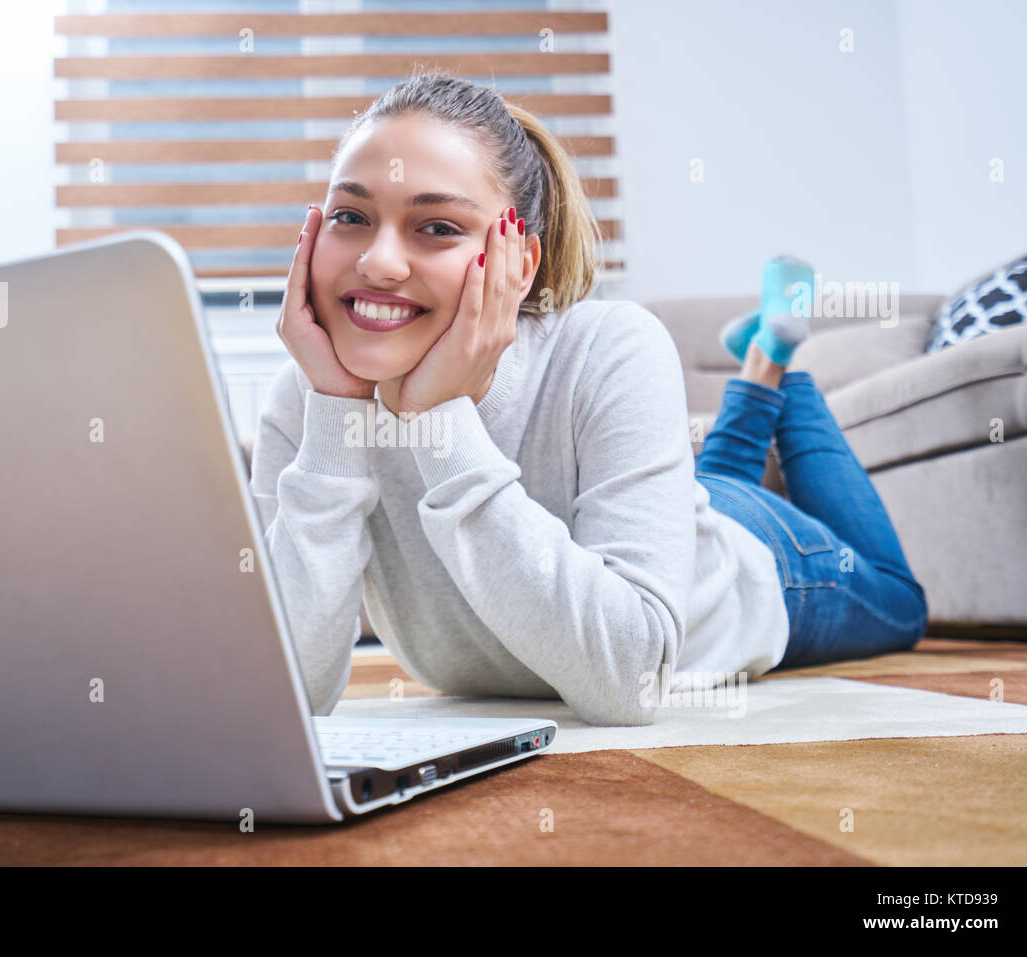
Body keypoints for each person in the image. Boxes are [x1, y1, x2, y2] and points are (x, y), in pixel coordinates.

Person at [250, 69, 926, 727]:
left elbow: (627, 683)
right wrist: (336, 418)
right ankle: (762, 356)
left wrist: (436, 419)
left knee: (898, 598)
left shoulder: (613, 345)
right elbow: (284, 699)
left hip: (757, 562)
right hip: (657, 512)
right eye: (350, 215)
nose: (378, 262)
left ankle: (780, 361)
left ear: (519, 261)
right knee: (709, 483)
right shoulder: (306, 401)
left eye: (437, 227)